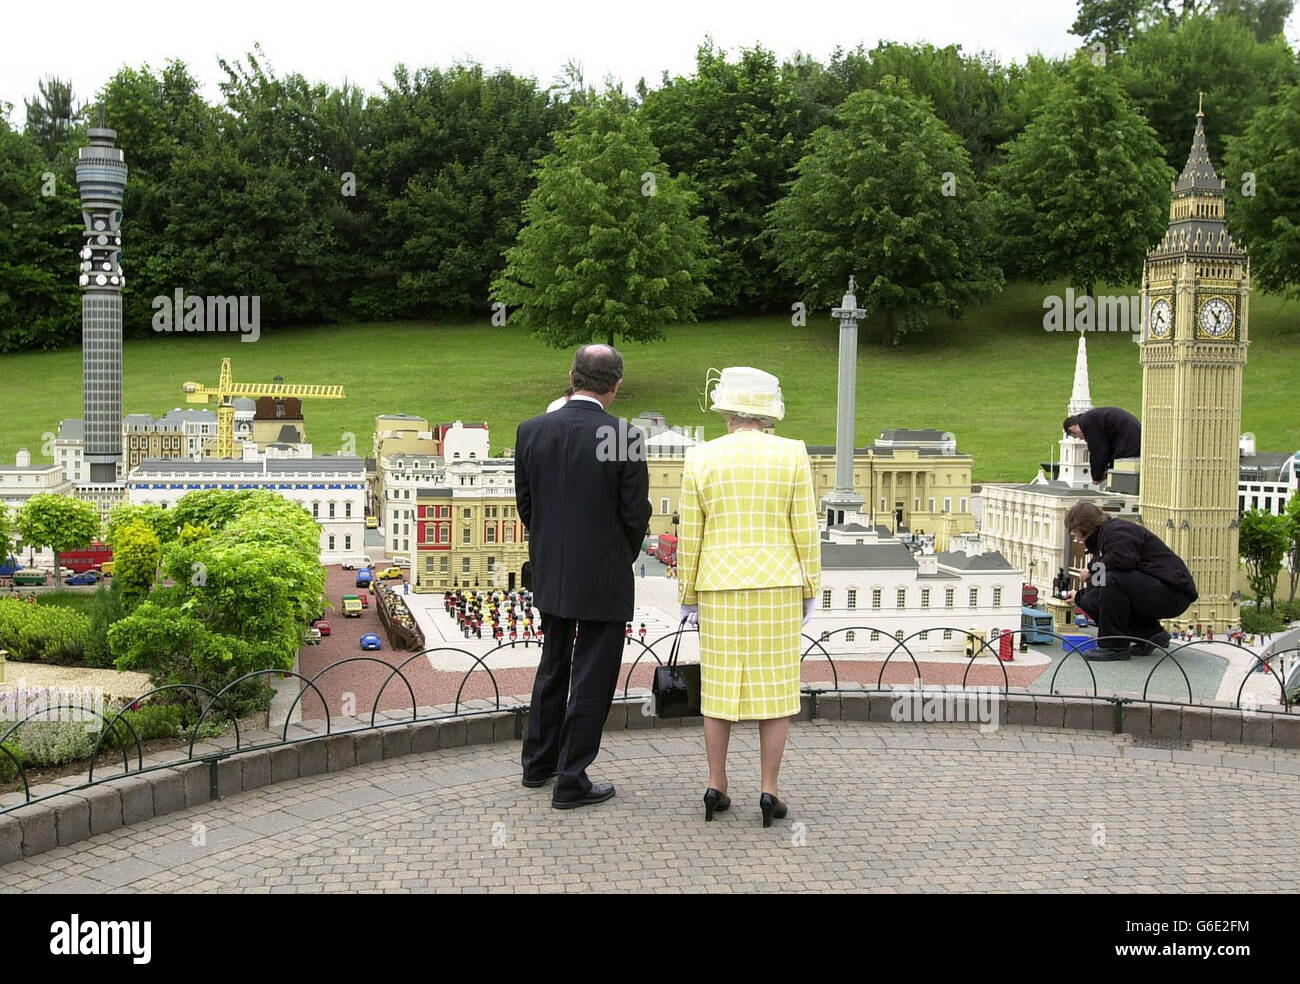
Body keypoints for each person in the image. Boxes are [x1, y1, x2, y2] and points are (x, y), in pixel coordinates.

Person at [677, 367, 820, 827]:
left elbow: (690, 536)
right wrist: (810, 585)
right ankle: (768, 792)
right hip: (777, 584)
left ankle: (716, 785)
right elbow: (806, 530)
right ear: (767, 412)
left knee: (719, 692)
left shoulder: (700, 458)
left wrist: (687, 592)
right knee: (775, 692)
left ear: (727, 413)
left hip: (718, 584)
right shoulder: (793, 454)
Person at [515, 344, 651, 809]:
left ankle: (538, 764)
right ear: (616, 386)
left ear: (572, 376)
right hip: (603, 576)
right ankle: (572, 779)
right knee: (592, 676)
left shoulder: (531, 430)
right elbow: (635, 516)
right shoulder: (625, 437)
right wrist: (618, 558)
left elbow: (527, 507)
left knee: (552, 666)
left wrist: (550, 552)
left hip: (552, 572)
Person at [1061, 502, 1197, 661]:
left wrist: (1092, 568)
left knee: (1112, 580)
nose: (1072, 534)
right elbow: (1102, 586)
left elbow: (1123, 561)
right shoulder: (1105, 536)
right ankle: (1151, 634)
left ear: (1083, 527)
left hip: (1173, 592)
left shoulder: (1116, 530)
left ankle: (1114, 646)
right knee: (1091, 599)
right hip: (1157, 589)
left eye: (1073, 529)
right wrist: (1079, 596)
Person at [1062, 407, 1141, 485]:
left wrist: (1096, 477)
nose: (1081, 438)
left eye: (1076, 436)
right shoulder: (1092, 418)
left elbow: (1098, 450)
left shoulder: (1087, 422)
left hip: (1129, 440)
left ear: (1072, 428)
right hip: (1132, 437)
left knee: (1117, 476)